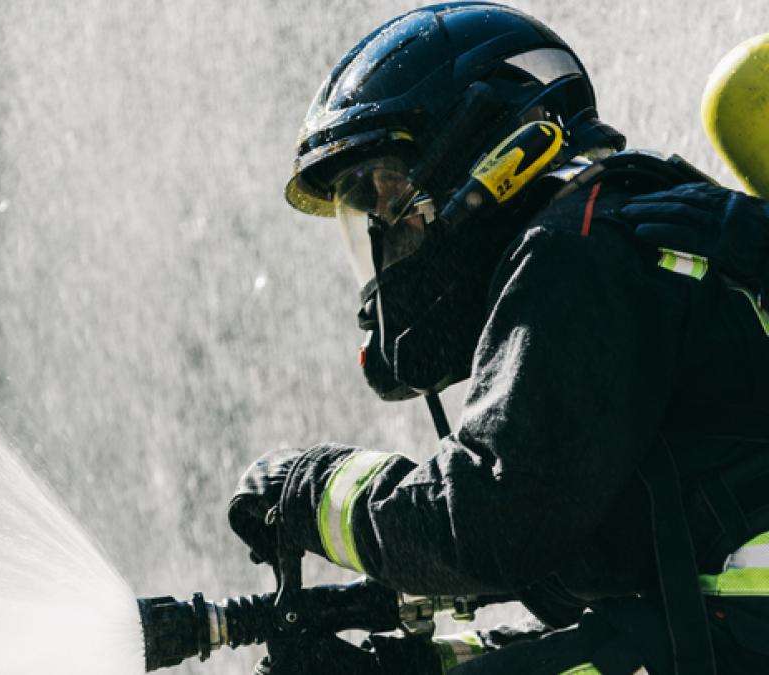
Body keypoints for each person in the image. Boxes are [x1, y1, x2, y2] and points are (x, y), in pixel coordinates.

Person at [227, 3, 769, 673]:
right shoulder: (640, 235)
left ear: (491, 147)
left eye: (391, 190)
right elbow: (611, 584)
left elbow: (485, 519)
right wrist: (429, 663)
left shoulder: (575, 251)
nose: (387, 233)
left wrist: (305, 489)